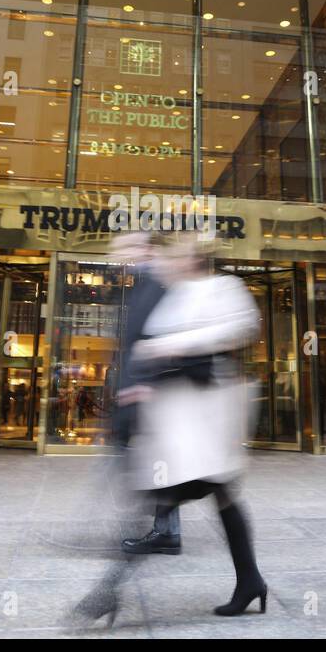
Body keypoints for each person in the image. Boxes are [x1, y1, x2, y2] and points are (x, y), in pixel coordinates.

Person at [74, 231, 266, 623]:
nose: (164, 265)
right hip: (178, 419)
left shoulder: (223, 287)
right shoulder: (173, 295)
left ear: (191, 260)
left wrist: (176, 346)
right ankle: (250, 581)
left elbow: (241, 327)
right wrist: (143, 379)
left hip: (208, 416)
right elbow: (154, 346)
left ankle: (107, 591)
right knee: (215, 496)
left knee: (165, 500)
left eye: (172, 259)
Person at [111, 231, 181, 555]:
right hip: (147, 388)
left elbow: (156, 338)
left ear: (146, 249)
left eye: (129, 247)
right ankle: (165, 529)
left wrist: (144, 384)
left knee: (154, 460)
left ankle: (165, 531)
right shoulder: (144, 283)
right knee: (154, 459)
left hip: (153, 390)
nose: (123, 254)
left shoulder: (156, 283)